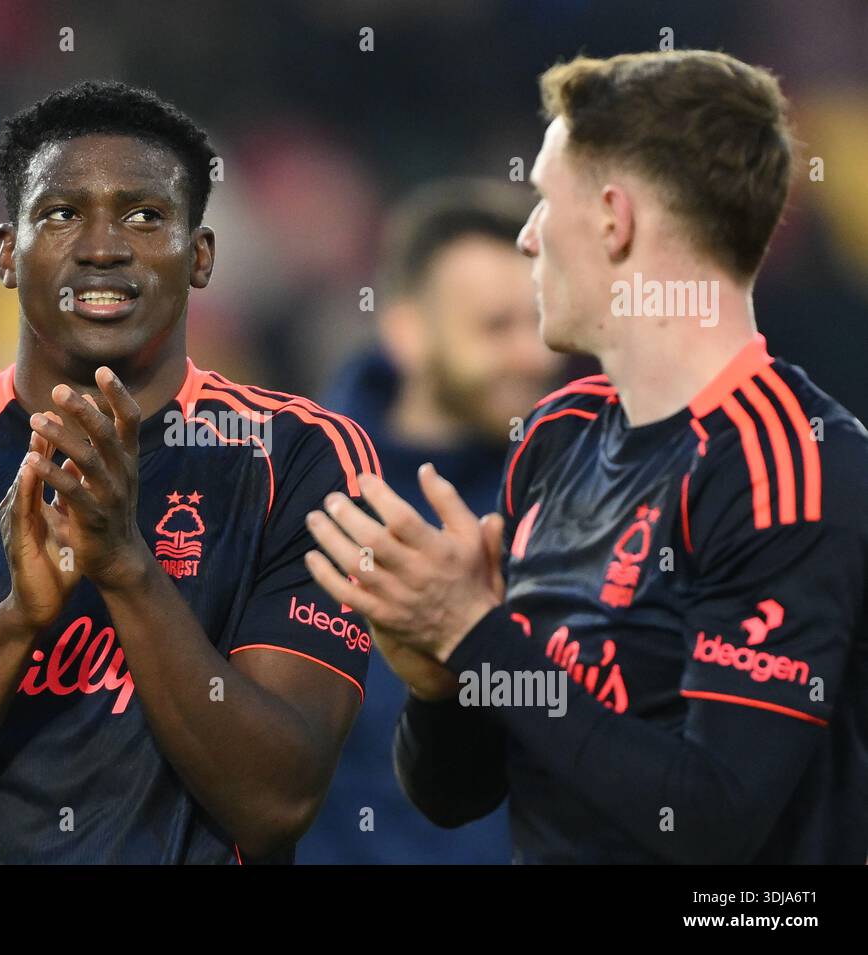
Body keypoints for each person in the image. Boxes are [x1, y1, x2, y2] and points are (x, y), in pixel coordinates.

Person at [305, 50, 868, 863]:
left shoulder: (788, 467)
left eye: (544, 198)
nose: (528, 236)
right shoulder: (556, 435)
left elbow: (710, 818)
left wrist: (474, 635)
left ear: (613, 219)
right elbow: (459, 794)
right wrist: (443, 681)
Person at [0, 80, 378, 864]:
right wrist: (17, 623)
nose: (103, 246)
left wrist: (126, 570)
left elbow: (276, 802)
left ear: (201, 256)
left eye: (145, 216)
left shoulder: (302, 458)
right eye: (62, 214)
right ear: (7, 253)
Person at [297, 181, 561, 863]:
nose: (536, 355)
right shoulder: (291, 491)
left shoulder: (572, 495)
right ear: (408, 333)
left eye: (539, 322)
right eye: (497, 327)